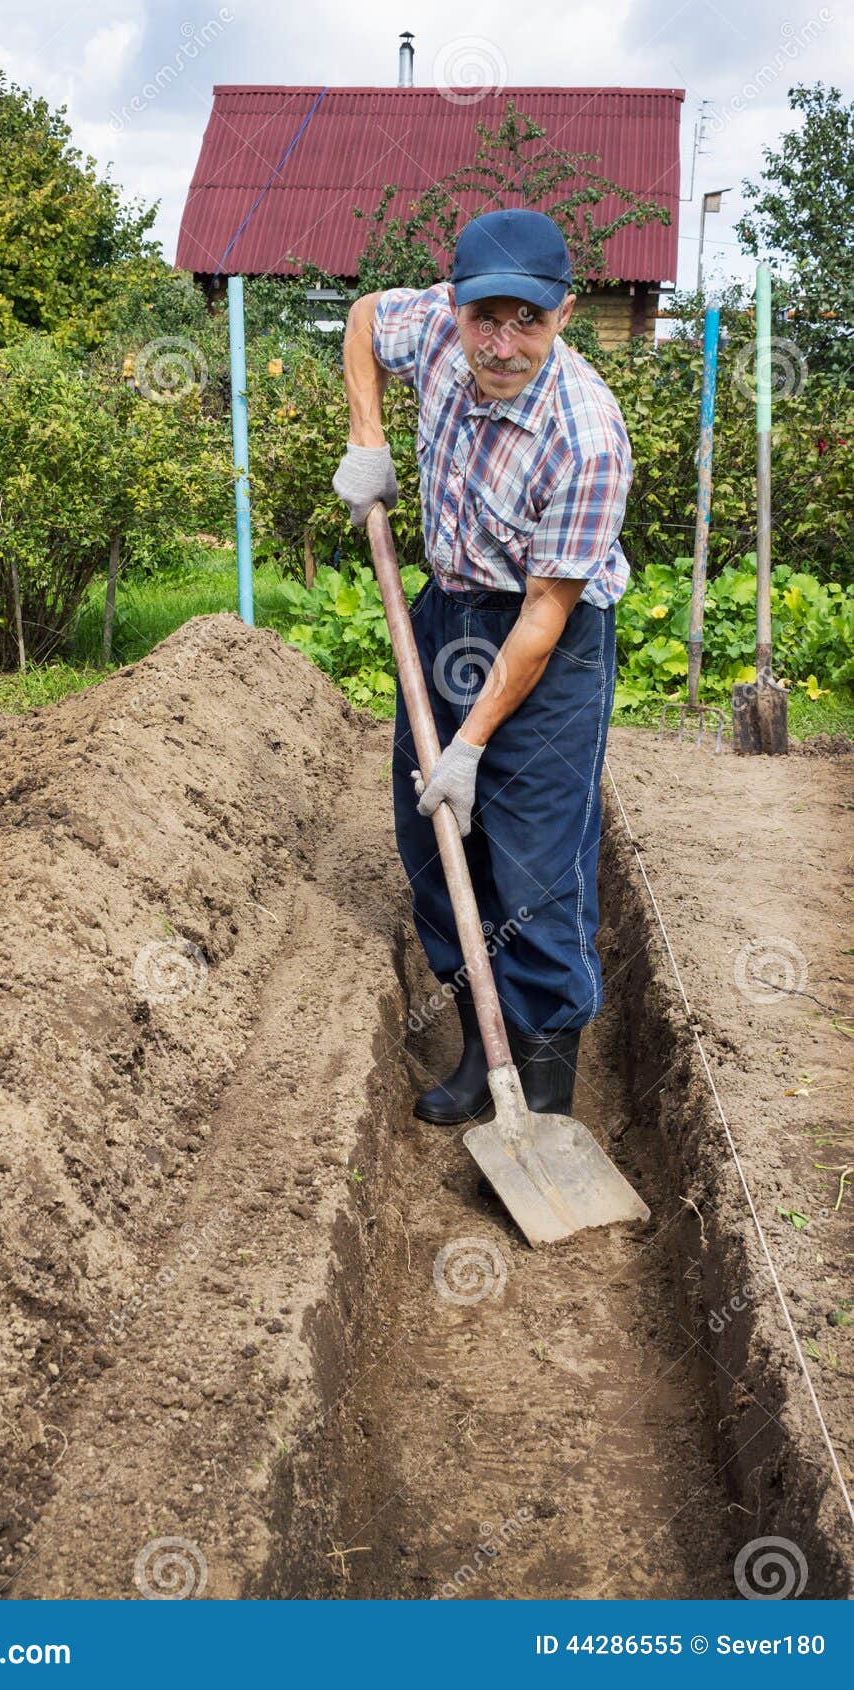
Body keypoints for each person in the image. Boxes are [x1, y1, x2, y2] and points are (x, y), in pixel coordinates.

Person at [332, 208, 633, 1130]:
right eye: (483, 318)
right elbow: (362, 316)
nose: (501, 345)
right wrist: (368, 442)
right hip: (447, 611)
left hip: (551, 634)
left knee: (536, 869)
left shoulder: (584, 438)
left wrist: (467, 744)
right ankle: (478, 1049)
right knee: (435, 848)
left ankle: (541, 1094)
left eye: (527, 323)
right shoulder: (429, 323)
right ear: (455, 303)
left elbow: (545, 611)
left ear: (564, 313)